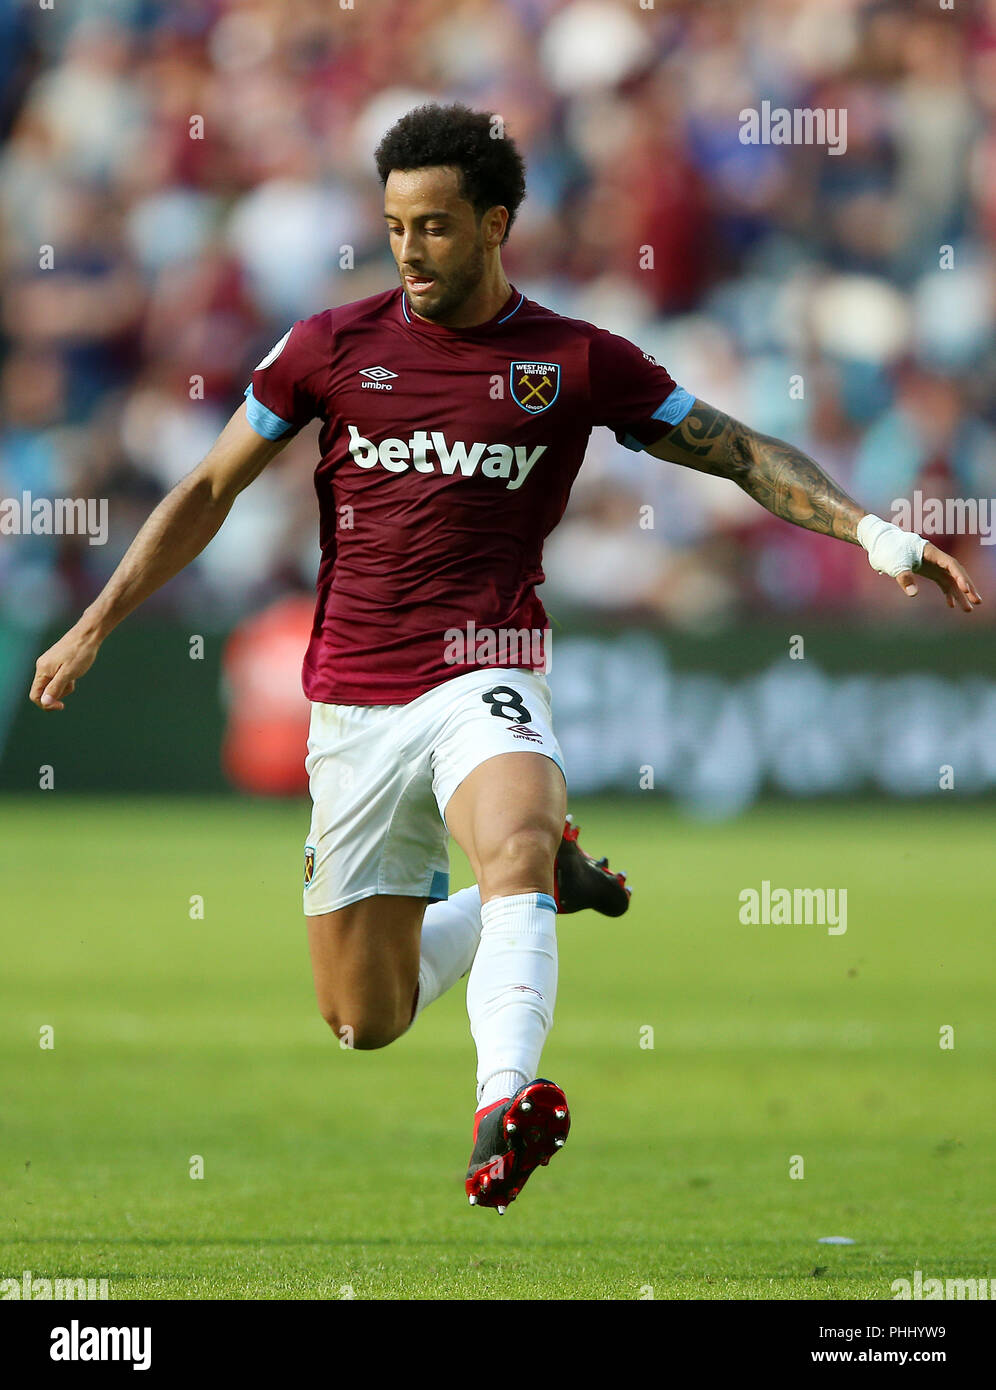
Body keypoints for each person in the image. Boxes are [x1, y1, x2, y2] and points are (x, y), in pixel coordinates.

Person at [30, 103, 981, 1216]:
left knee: (516, 835)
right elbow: (205, 489)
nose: (409, 250)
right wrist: (96, 620)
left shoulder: (573, 361)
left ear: (494, 225)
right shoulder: (329, 347)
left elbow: (738, 450)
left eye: (433, 227)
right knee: (361, 1019)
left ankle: (502, 1106)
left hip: (487, 670)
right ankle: (530, 893)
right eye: (394, 226)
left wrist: (873, 532)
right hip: (352, 700)